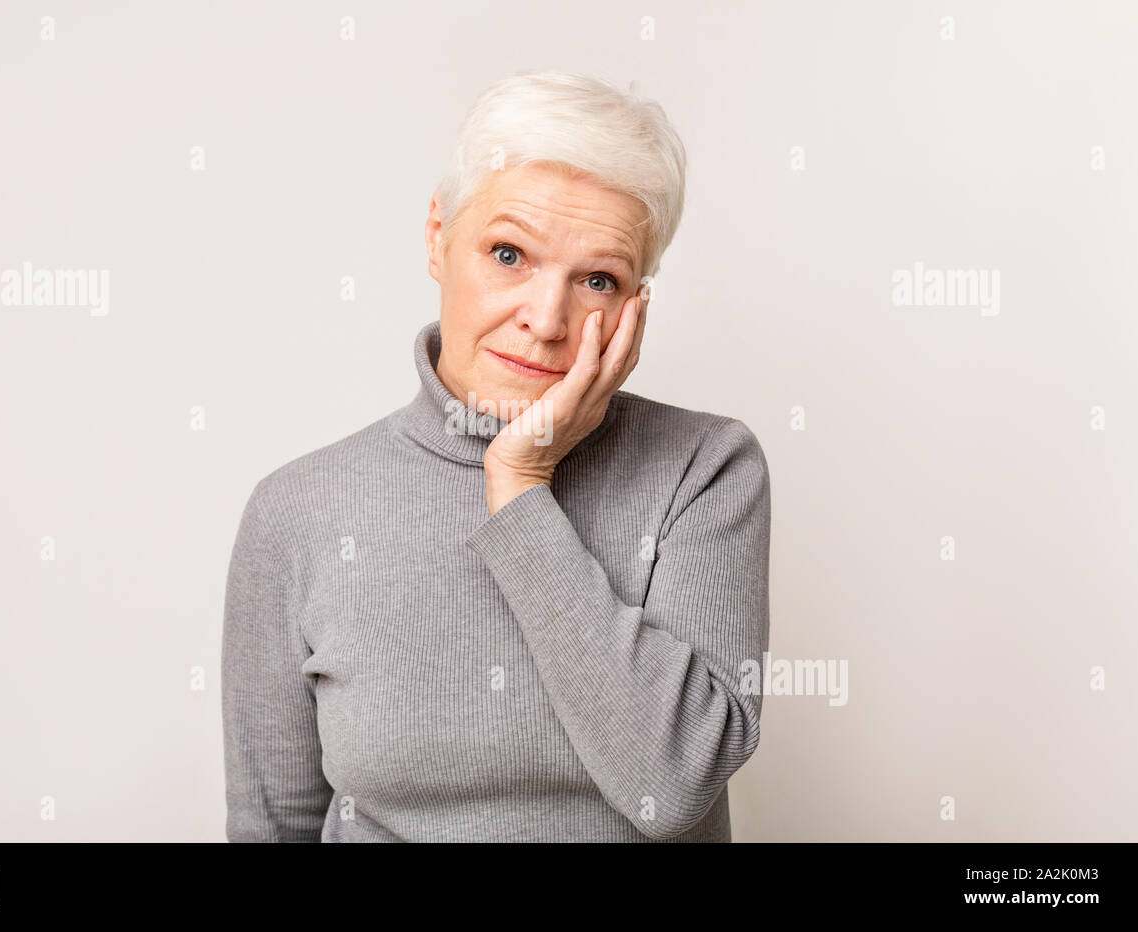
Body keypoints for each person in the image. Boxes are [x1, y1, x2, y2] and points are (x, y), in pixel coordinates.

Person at [222, 69, 771, 842]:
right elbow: (271, 824)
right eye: (509, 254)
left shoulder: (706, 469)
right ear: (438, 238)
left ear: (634, 305)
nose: (547, 320)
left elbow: (673, 785)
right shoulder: (298, 509)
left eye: (596, 279)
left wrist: (519, 486)